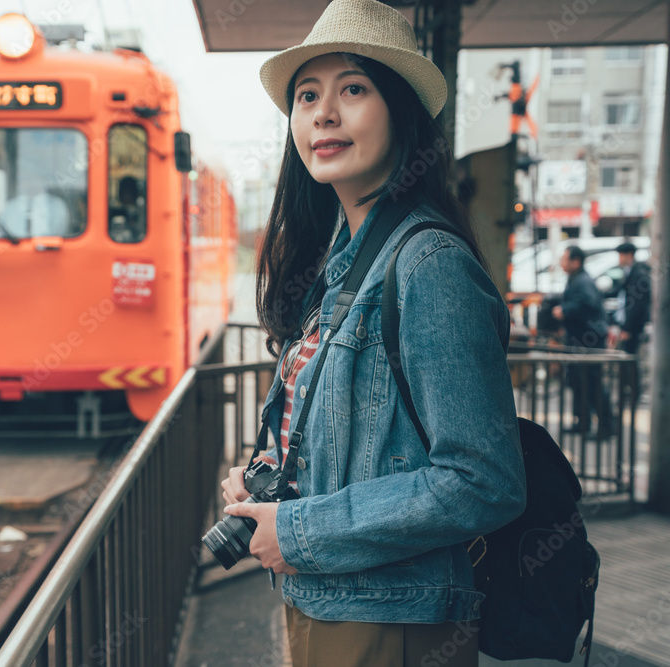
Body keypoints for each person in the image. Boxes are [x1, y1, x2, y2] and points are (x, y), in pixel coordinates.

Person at [218, 1, 526, 665]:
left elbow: (484, 479)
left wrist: (298, 530)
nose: (322, 114)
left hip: (391, 621)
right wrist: (268, 478)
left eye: (352, 89)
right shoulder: (348, 260)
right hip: (325, 601)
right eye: (307, 96)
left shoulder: (429, 265)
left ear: (403, 113)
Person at [552, 246, 615, 437]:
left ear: (576, 261)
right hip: (579, 342)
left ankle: (606, 425)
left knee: (592, 383)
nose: (562, 262)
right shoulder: (576, 279)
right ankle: (582, 422)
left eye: (565, 258)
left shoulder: (584, 281)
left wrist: (565, 310)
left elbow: (588, 302)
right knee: (578, 382)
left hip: (589, 343)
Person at [607, 241, 652, 401]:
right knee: (628, 359)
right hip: (628, 324)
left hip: (633, 326)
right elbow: (618, 291)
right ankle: (630, 391)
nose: (618, 259)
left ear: (628, 255)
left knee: (630, 359)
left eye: (620, 255)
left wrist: (627, 327)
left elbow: (638, 304)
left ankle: (633, 392)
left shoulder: (638, 273)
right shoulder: (631, 271)